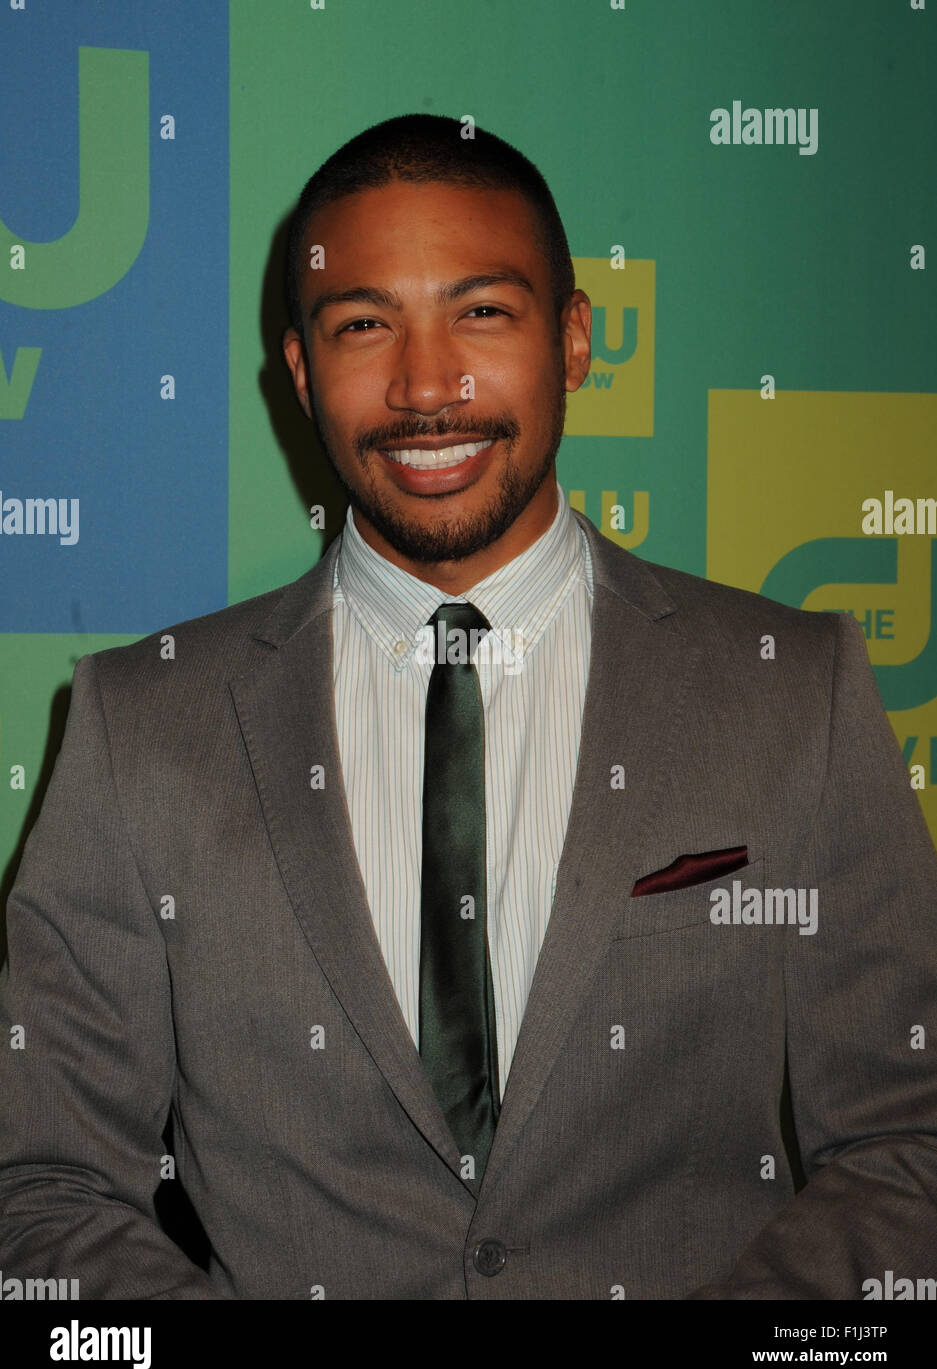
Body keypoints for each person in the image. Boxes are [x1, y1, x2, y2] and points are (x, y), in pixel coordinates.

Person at [1, 113, 936, 1301]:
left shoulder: (790, 687)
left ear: (575, 340)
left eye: (481, 313)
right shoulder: (138, 724)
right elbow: (39, 1187)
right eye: (361, 325)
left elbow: (910, 1143)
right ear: (300, 373)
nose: (424, 385)